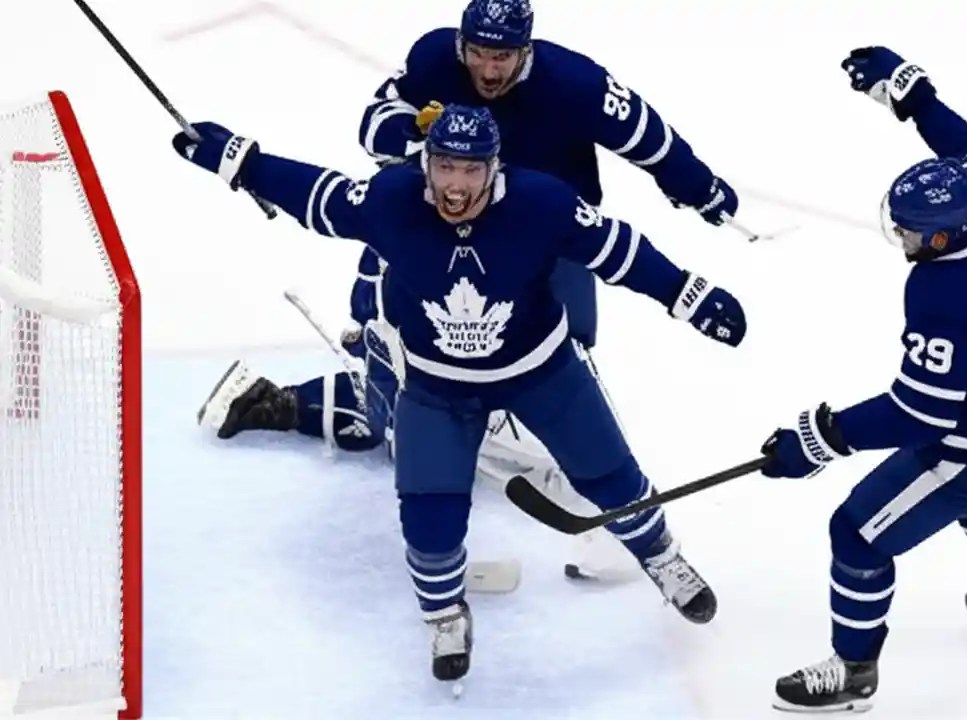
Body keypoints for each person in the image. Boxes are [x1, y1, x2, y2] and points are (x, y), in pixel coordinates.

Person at [172, 103, 747, 683]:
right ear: (427, 162)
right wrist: (240, 162)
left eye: (471, 170)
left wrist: (686, 293)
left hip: (542, 374)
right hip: (438, 388)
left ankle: (662, 559)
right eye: (445, 166)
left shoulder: (542, 201)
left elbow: (619, 251)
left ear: (495, 168)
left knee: (612, 477)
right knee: (428, 516)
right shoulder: (390, 199)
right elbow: (316, 195)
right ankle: (445, 613)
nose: (456, 183)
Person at [201, 0, 743, 578]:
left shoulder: (574, 83)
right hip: (435, 227)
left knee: (565, 359)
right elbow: (376, 124)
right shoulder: (434, 57)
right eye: (479, 53)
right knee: (400, 347)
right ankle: (328, 404)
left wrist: (697, 184)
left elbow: (646, 133)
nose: (489, 70)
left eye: (503, 55)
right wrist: (415, 132)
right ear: (461, 46)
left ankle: (611, 510)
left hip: (544, 239)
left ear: (526, 49)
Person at [759, 47, 967, 713]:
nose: (900, 237)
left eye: (909, 232)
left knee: (857, 533)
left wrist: (823, 437)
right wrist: (912, 95)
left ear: (938, 240)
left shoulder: (942, 295)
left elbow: (920, 415)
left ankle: (853, 673)